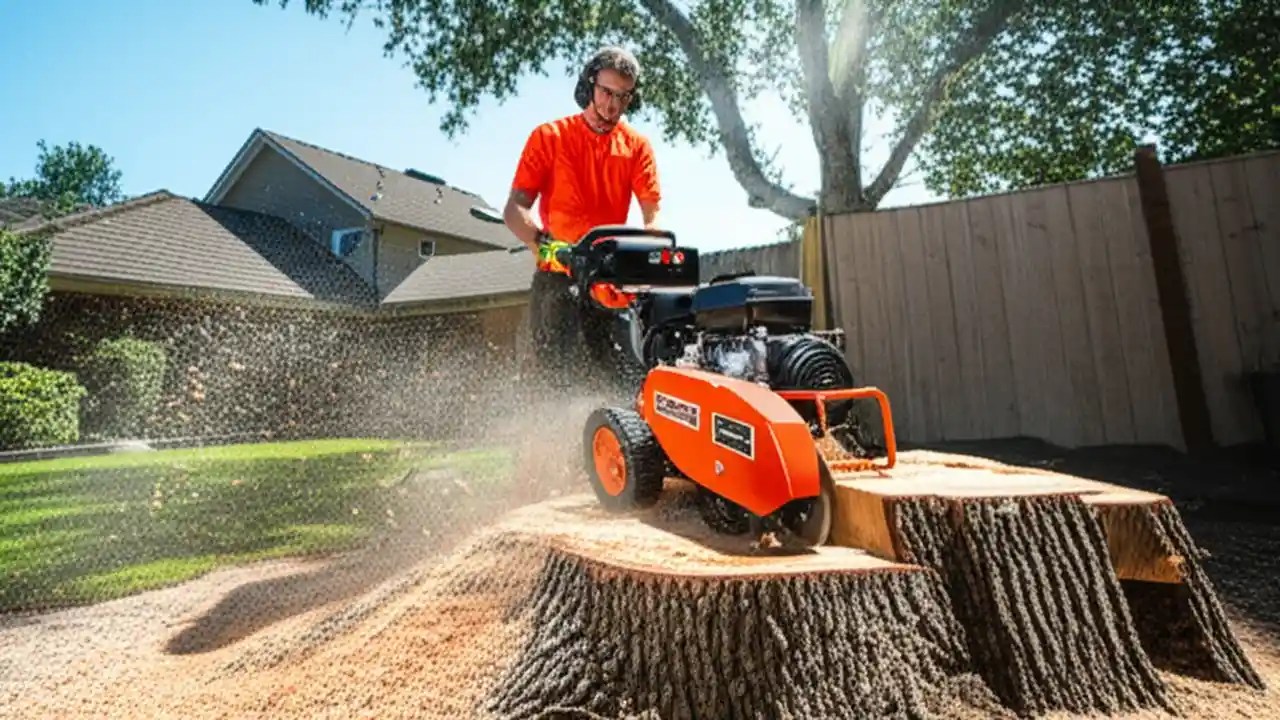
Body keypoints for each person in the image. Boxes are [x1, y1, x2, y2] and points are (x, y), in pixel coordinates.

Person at [503, 46, 662, 395]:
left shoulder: (636, 147)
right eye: (607, 93)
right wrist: (543, 244)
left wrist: (649, 248)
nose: (613, 106)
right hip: (559, 276)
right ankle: (551, 444)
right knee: (556, 382)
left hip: (609, 281)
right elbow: (514, 210)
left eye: (623, 97)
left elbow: (653, 214)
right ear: (588, 86)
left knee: (624, 379)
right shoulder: (550, 137)